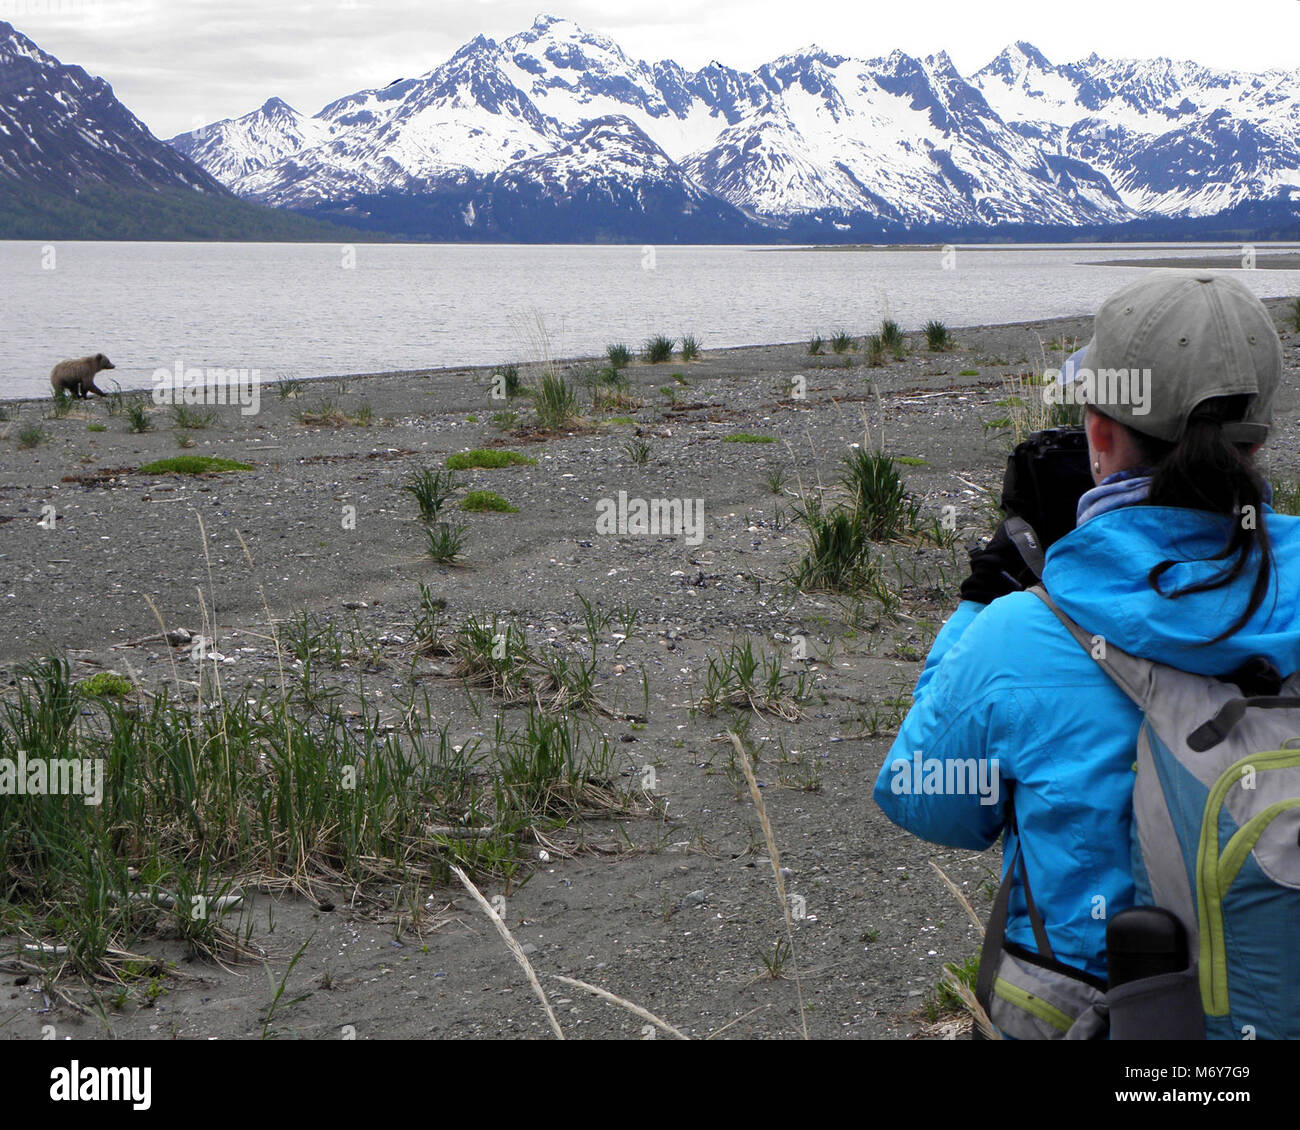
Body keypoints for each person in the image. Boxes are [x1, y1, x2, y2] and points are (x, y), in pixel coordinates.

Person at [872, 272, 1298, 1038]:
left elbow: (921, 798)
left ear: (1099, 434)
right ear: (1258, 441)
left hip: (1087, 1017)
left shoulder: (1021, 634)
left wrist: (984, 596)